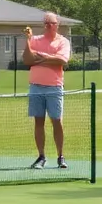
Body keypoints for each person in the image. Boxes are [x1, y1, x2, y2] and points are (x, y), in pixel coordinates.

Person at [23, 13, 70, 170]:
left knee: (56, 120)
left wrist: (42, 57)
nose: (48, 26)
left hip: (54, 86)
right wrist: (28, 40)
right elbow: (28, 60)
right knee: (38, 121)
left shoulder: (63, 41)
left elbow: (62, 60)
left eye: (51, 23)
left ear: (58, 24)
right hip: (36, 86)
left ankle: (60, 156)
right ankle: (41, 156)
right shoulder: (35, 40)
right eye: (46, 23)